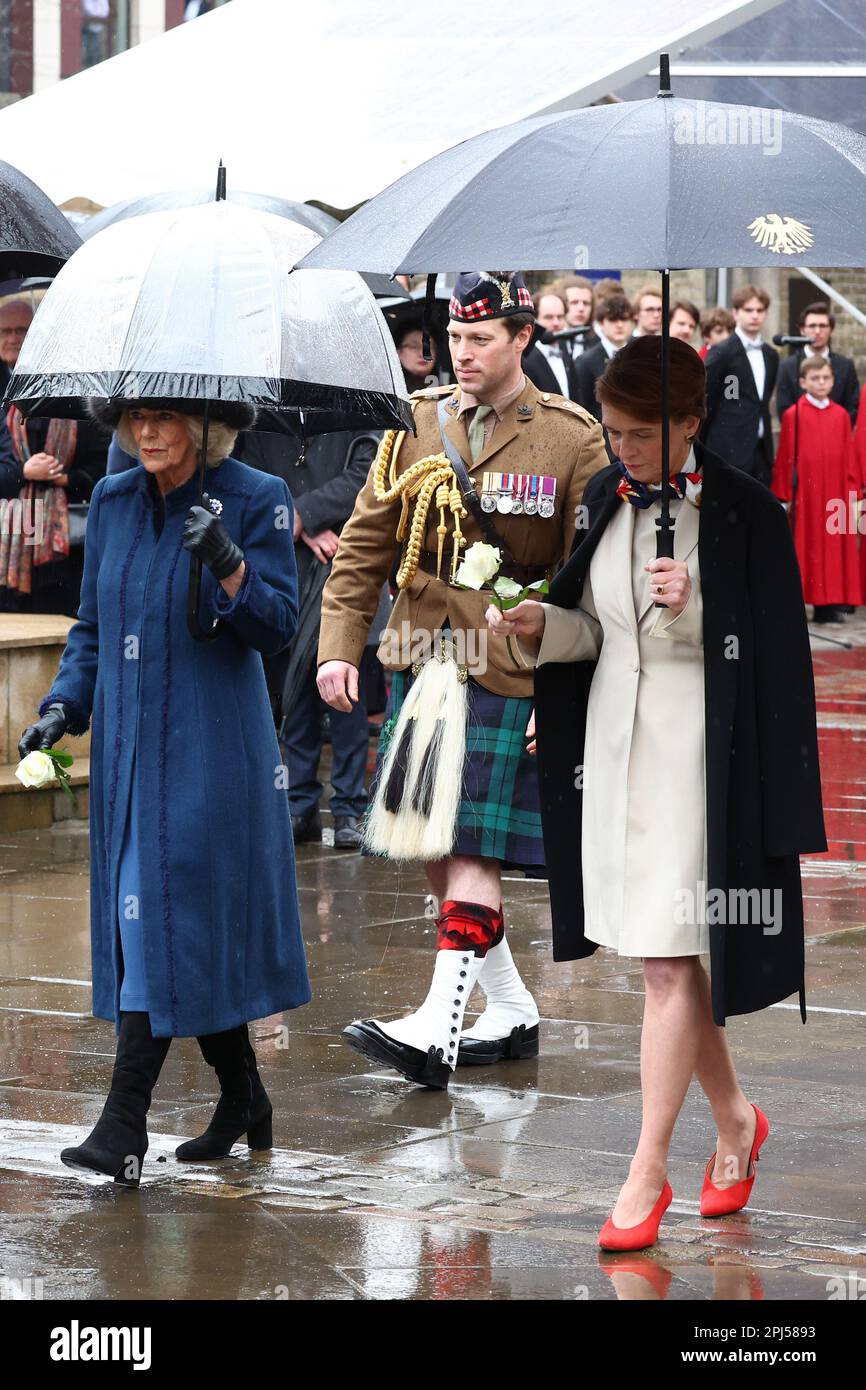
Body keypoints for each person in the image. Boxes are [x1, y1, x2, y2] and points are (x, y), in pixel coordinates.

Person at [488, 336, 825, 1251]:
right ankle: (737, 1122)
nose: (622, 447)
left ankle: (645, 1171)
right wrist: (540, 627)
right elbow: (595, 631)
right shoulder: (606, 495)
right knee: (663, 959)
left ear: (690, 422)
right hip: (613, 761)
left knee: (671, 964)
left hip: (700, 765)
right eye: (613, 429)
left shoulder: (749, 512)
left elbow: (778, 652)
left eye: (640, 433)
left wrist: (702, 602)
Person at [316, 271, 608, 1090]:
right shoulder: (415, 423)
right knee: (434, 846)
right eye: (455, 337)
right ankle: (510, 1008)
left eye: (482, 339)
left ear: (522, 338)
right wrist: (339, 647)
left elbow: (593, 579)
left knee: (471, 843)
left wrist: (571, 687)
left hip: (512, 667)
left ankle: (435, 1032)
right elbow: (364, 548)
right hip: (423, 655)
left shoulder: (571, 439)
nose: (464, 352)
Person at [18, 399, 310, 1185]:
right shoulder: (113, 499)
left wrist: (230, 565)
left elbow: (279, 626)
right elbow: (91, 631)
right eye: (135, 417)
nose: (146, 433)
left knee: (164, 922)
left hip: (212, 750)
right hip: (125, 752)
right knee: (165, 925)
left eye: (165, 418)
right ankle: (245, 1097)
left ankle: (121, 1127)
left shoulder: (255, 496)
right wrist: (60, 707)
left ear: (207, 425)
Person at [2, 300, 107, 614]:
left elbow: (101, 463)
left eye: (21, 330)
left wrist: (66, 478)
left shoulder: (69, 390)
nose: (13, 338)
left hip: (63, 550)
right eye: (5, 331)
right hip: (9, 546)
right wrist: (24, 471)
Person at [772, 357, 863, 624]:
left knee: (835, 551)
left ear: (833, 381)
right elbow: (786, 457)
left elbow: (849, 457)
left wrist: (853, 492)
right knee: (805, 547)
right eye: (815, 378)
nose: (821, 383)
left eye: (826, 378)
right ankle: (800, 605)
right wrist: (784, 495)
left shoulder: (842, 415)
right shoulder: (794, 415)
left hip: (835, 494)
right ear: (802, 382)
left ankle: (829, 606)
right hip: (807, 497)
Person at [702, 284, 779, 486]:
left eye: (760, 311)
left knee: (758, 512)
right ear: (735, 313)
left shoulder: (771, 355)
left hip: (761, 450)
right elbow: (707, 399)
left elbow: (761, 401)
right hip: (727, 449)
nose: (754, 316)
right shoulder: (722, 352)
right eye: (748, 310)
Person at [776, 301, 859, 428]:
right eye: (812, 326)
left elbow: (853, 407)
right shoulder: (788, 366)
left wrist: (830, 428)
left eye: (823, 326)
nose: (817, 331)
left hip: (835, 435)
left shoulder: (845, 366)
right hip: (802, 436)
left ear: (831, 329)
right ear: (802, 330)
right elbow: (784, 409)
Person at [576, 294, 635, 455]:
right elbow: (584, 407)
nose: (620, 325)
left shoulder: (641, 352)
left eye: (624, 319)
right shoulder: (585, 361)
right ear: (601, 323)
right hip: (603, 444)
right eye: (613, 320)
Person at [524, 290, 581, 400]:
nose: (556, 323)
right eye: (548, 317)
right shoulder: (526, 356)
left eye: (560, 317)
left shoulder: (566, 349)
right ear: (534, 320)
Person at [559, 276, 598, 359]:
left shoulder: (598, 344)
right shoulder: (550, 342)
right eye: (574, 302)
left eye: (586, 303)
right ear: (561, 304)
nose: (581, 308)